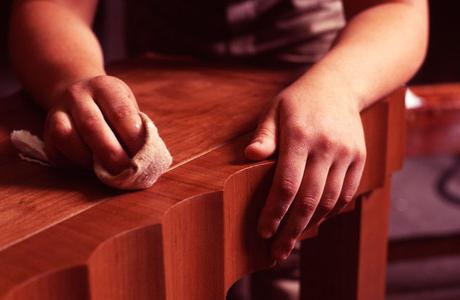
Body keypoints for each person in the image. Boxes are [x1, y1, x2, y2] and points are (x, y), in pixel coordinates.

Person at [8, 0, 428, 262]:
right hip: (160, 81)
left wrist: (338, 86)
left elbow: (397, 7)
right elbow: (52, 7)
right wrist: (70, 80)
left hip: (318, 75)